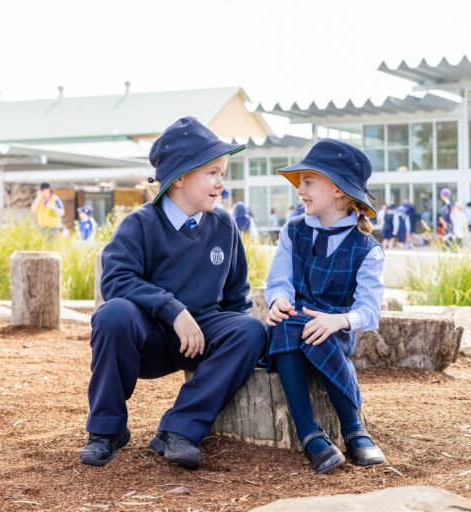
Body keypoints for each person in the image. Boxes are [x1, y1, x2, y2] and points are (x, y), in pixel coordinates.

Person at [80, 117, 267, 469]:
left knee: (251, 330)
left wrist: (235, 344)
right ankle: (107, 430)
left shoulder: (225, 225)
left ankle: (178, 429)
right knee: (113, 314)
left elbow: (235, 296)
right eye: (212, 173)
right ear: (180, 178)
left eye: (222, 174)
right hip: (147, 339)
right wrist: (173, 310)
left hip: (202, 336)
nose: (220, 184)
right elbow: (117, 279)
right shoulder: (140, 224)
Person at [264, 138, 385, 474]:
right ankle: (309, 433)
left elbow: (369, 310)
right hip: (294, 322)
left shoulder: (367, 249)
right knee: (287, 322)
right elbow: (279, 280)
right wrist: (278, 301)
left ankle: (353, 428)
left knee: (315, 331)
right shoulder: (293, 230)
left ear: (338, 192)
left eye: (308, 181)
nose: (300, 190)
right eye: (300, 183)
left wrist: (338, 321)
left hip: (336, 330)